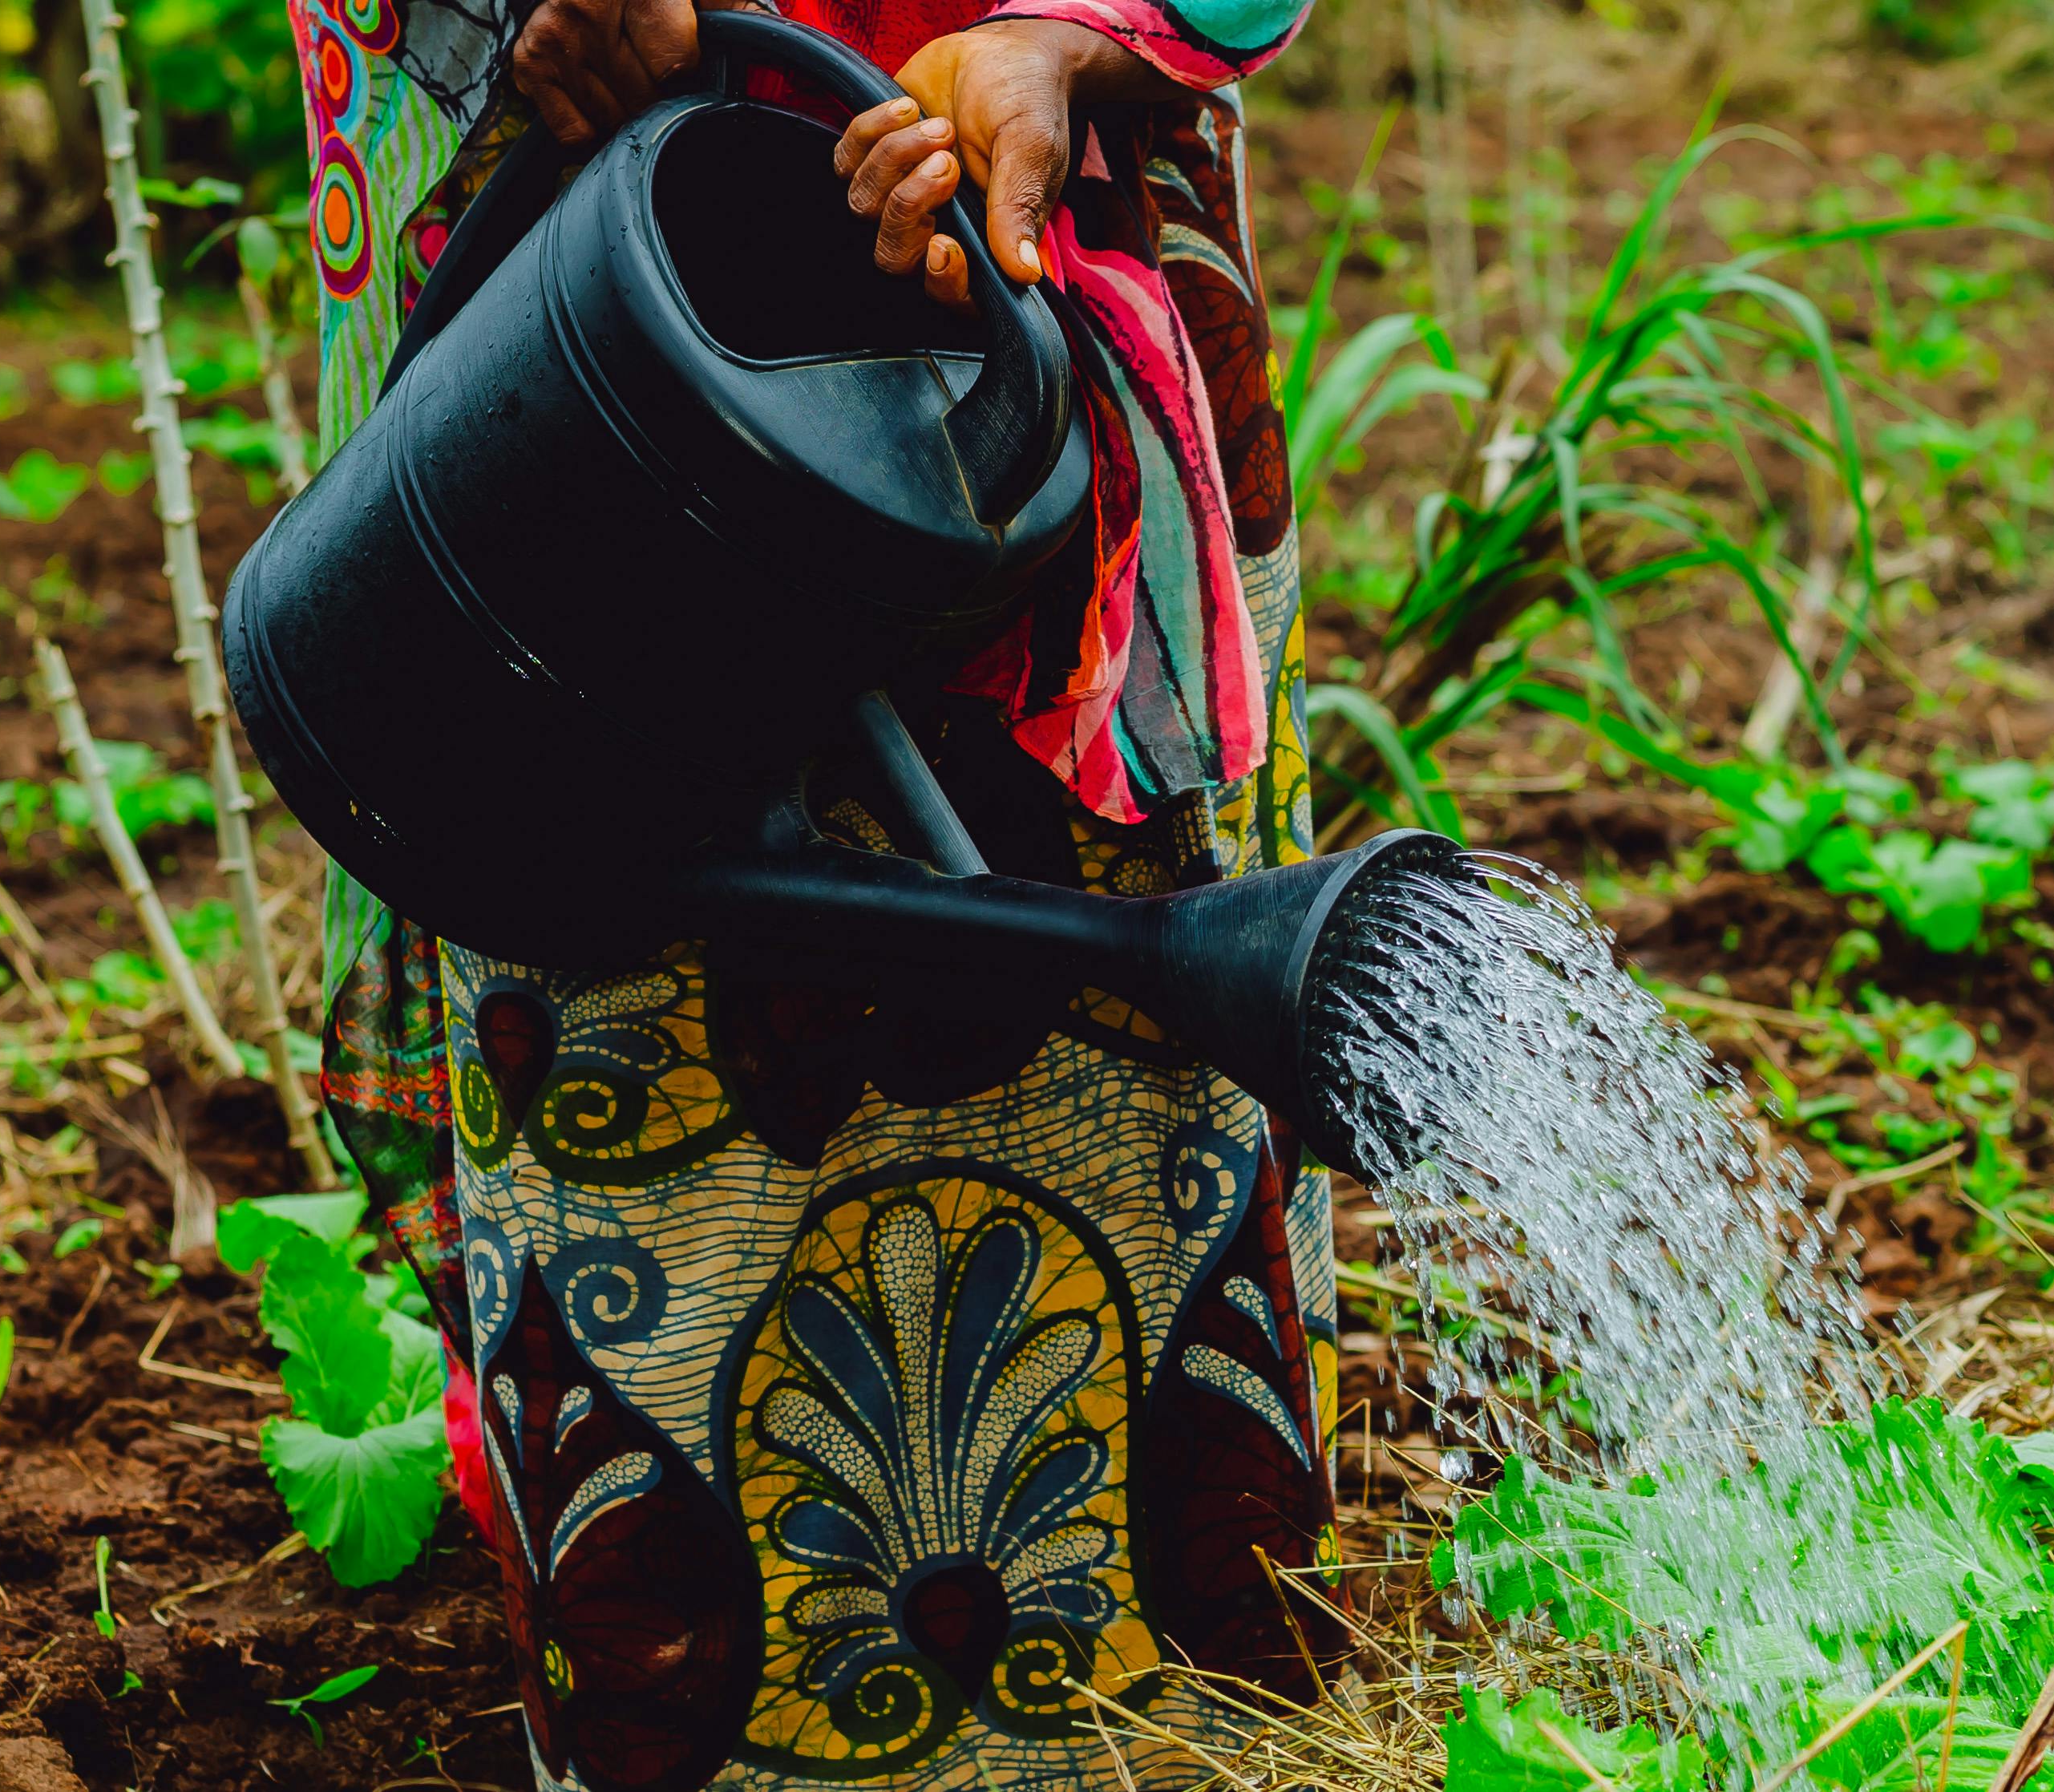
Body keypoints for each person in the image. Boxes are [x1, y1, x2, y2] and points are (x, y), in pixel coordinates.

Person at [289, 0, 1340, 1781]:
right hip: (584, 264)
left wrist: (1085, 35)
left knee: (1138, 1079)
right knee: (605, 858)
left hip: (1041, 197)